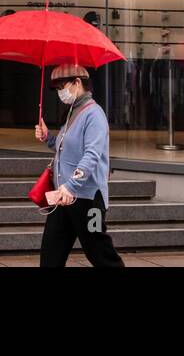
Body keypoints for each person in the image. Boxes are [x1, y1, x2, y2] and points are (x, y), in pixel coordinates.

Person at [34, 63, 123, 268]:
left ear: (77, 83)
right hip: (64, 197)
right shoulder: (73, 112)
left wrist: (71, 185)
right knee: (51, 254)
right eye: (56, 89)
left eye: (62, 87)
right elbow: (65, 147)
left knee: (100, 252)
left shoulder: (94, 114)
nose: (60, 93)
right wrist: (48, 138)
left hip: (87, 198)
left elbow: (91, 155)